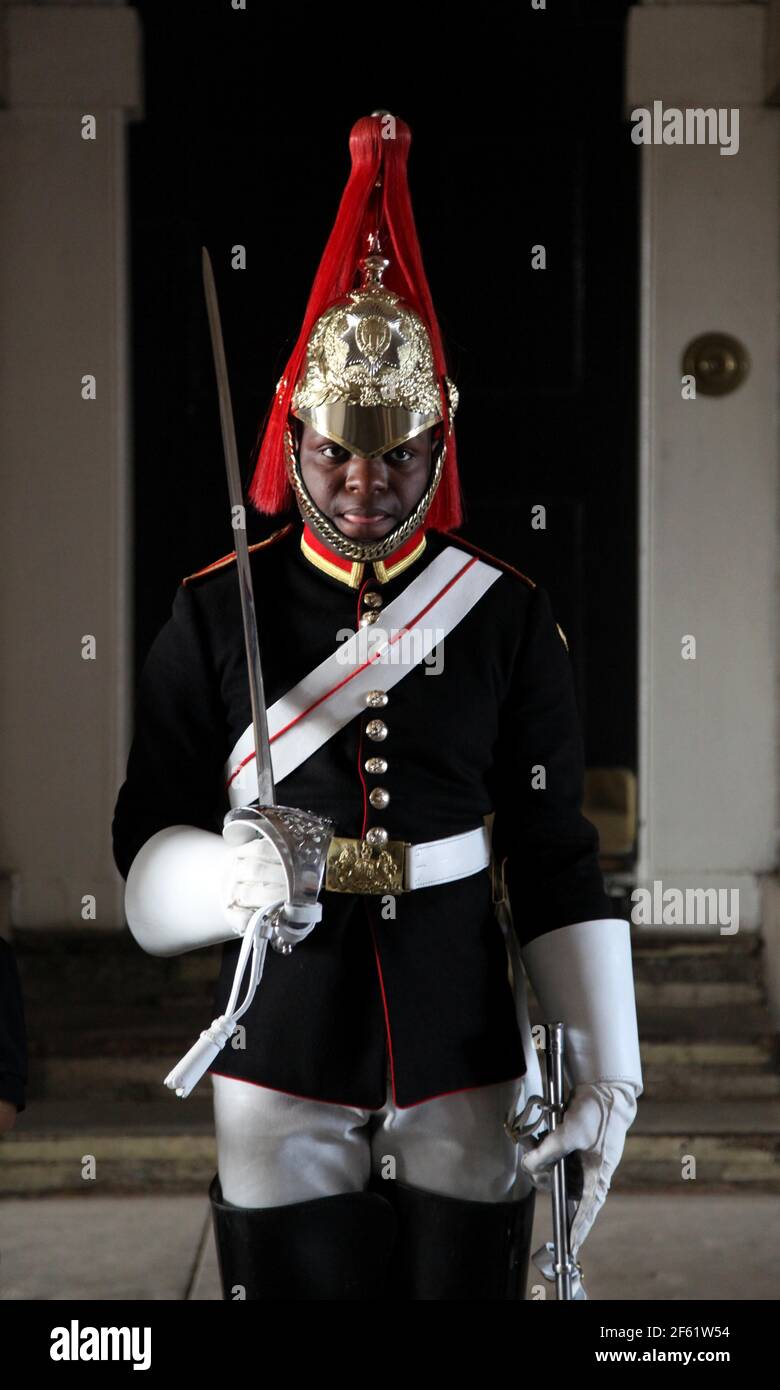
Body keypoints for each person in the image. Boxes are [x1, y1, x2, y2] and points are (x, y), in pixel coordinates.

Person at [112, 111, 643, 1301]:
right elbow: (140, 846)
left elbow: (554, 851)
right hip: (283, 1037)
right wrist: (228, 877)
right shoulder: (213, 613)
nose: (364, 483)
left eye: (397, 455)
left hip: (462, 1030)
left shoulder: (502, 612)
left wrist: (609, 1063)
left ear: (436, 441)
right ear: (292, 433)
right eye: (337, 452)